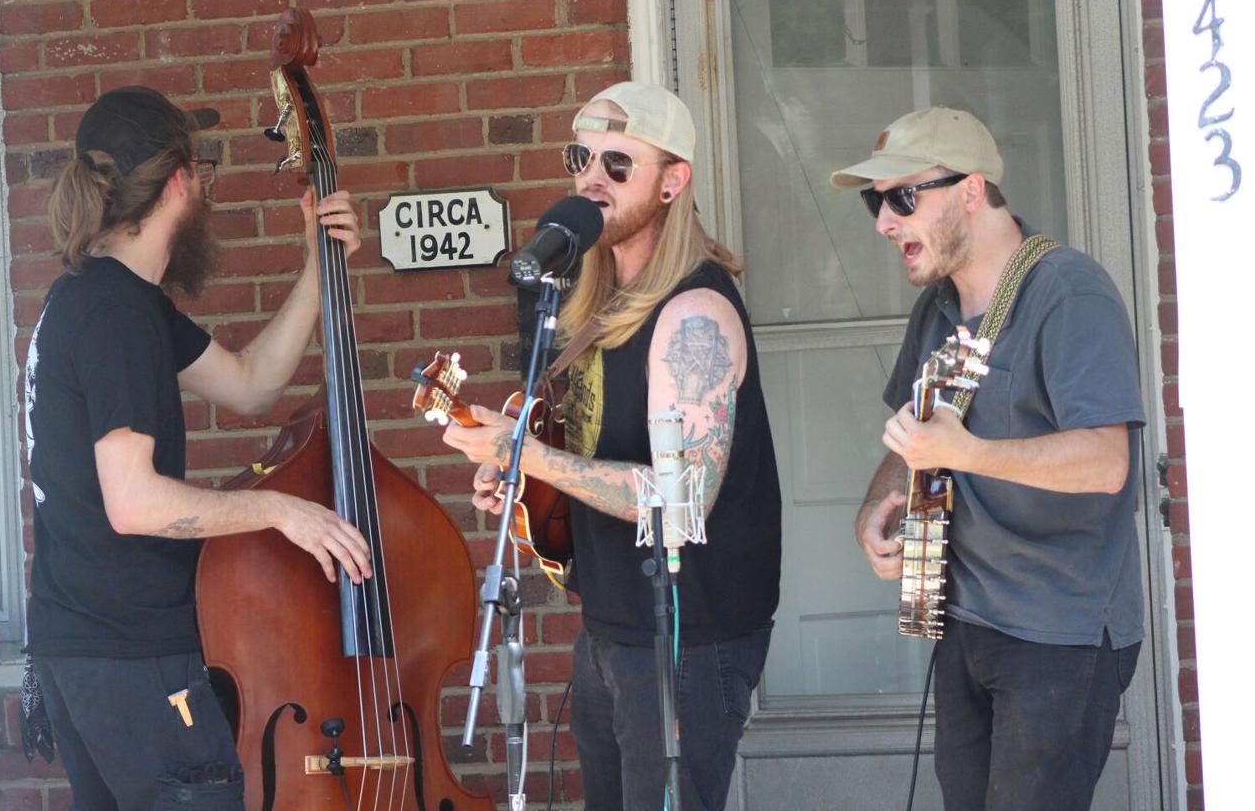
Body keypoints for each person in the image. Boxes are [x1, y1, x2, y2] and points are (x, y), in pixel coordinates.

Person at [22, 85, 374, 809]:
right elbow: (133, 502)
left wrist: (318, 266)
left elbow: (251, 385)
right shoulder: (114, 313)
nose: (205, 189)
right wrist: (280, 510)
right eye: (202, 170)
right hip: (131, 653)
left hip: (90, 651)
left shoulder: (112, 301)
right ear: (179, 182)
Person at [442, 82, 782, 811]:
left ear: (672, 181)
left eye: (618, 163)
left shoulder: (693, 313)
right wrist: (526, 483)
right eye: (581, 158)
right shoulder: (597, 301)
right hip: (609, 624)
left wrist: (528, 457)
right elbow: (594, 449)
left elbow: (683, 500)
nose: (592, 178)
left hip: (686, 638)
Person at [836, 108, 1145, 810]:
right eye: (874, 203)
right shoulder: (938, 308)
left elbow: (1107, 462)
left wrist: (970, 453)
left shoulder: (1068, 291)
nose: (884, 223)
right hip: (964, 620)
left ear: (971, 190)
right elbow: (917, 433)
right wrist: (876, 508)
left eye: (902, 197)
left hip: (1057, 628)